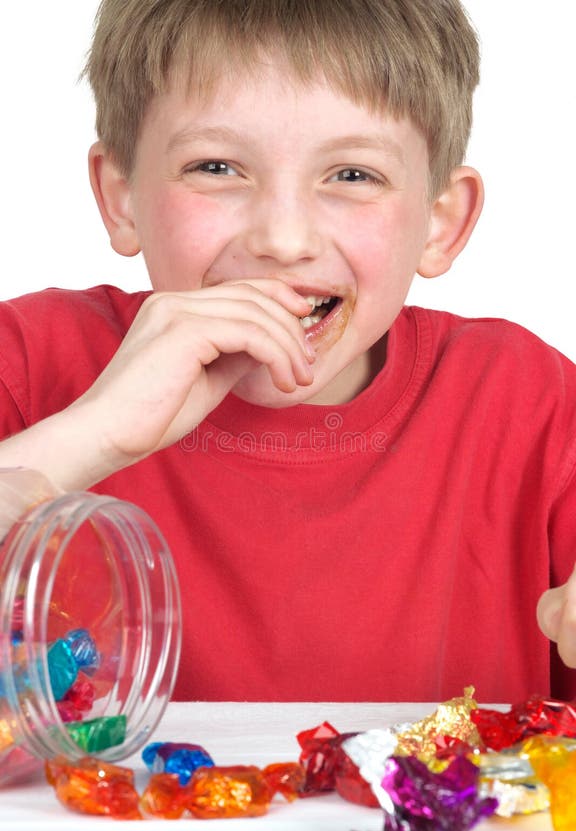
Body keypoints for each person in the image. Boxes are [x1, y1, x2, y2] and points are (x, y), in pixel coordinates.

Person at [1, 0, 575, 705]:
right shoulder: (29, 364)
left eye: (353, 175)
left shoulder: (528, 401)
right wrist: (95, 431)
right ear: (122, 198)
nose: (283, 237)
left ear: (440, 220)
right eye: (215, 166)